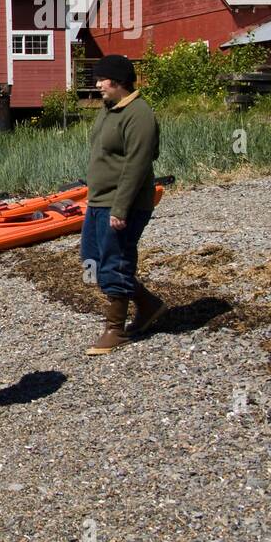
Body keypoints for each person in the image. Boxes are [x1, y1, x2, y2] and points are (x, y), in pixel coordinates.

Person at [81, 54, 164, 355]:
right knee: (91, 259)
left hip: (123, 203)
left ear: (118, 81)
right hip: (98, 200)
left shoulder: (139, 114)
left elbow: (137, 165)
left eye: (102, 79)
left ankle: (115, 329)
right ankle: (148, 304)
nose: (98, 85)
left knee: (115, 261)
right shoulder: (108, 109)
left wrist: (121, 208)